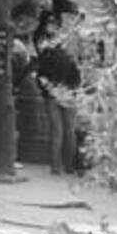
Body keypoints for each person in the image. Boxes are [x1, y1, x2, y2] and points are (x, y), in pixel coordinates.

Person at [33, 9, 82, 174]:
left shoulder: (46, 44)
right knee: (63, 130)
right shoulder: (56, 45)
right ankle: (63, 166)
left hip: (59, 88)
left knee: (63, 130)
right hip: (63, 88)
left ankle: (62, 166)